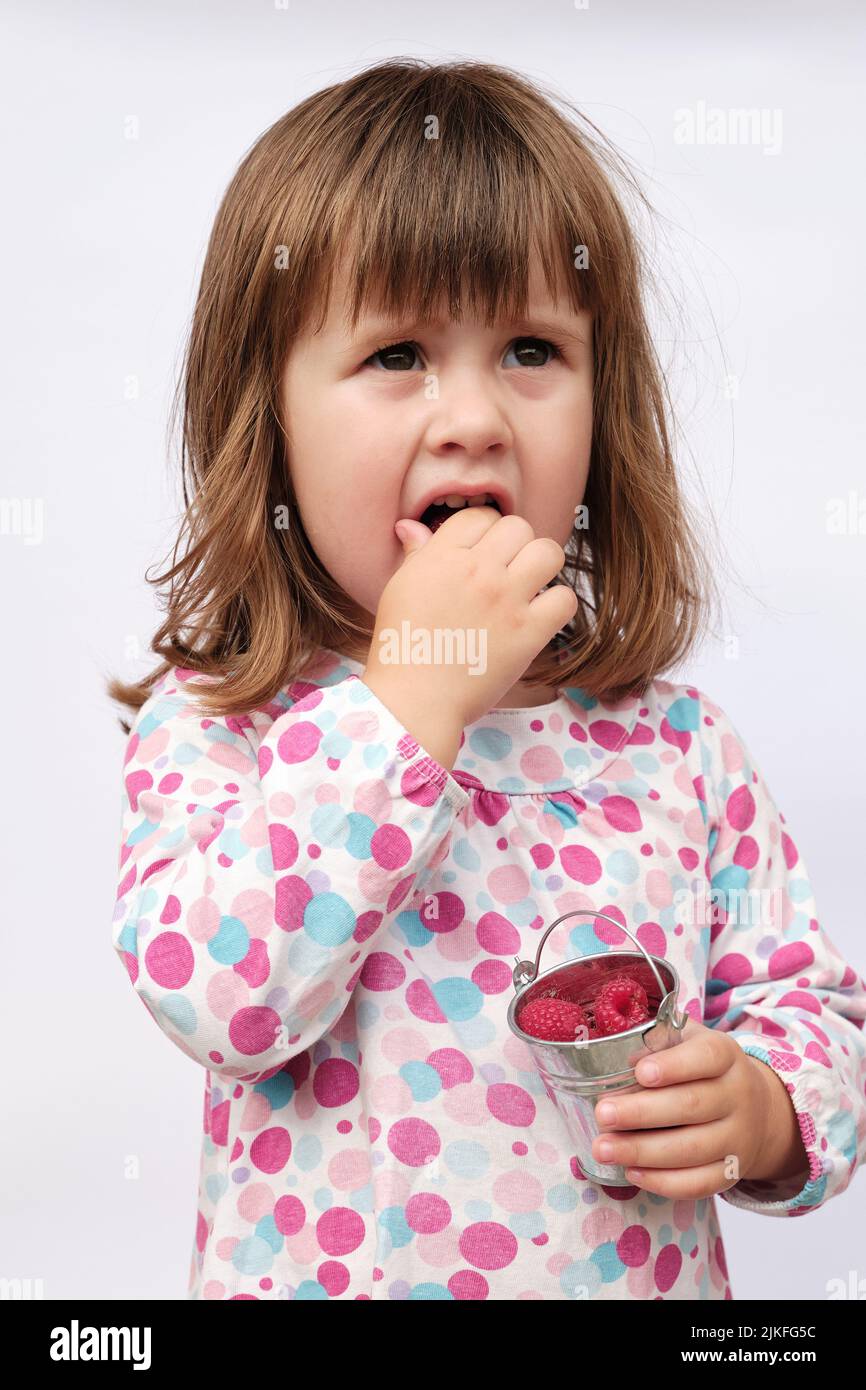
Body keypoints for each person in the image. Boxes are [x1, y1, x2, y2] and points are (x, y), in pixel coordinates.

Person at [108, 58, 866, 1301]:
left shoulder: (675, 750)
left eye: (529, 348)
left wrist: (765, 1106)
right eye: (398, 353)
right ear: (271, 424)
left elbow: (810, 1011)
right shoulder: (226, 731)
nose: (472, 416)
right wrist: (408, 698)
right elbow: (223, 1001)